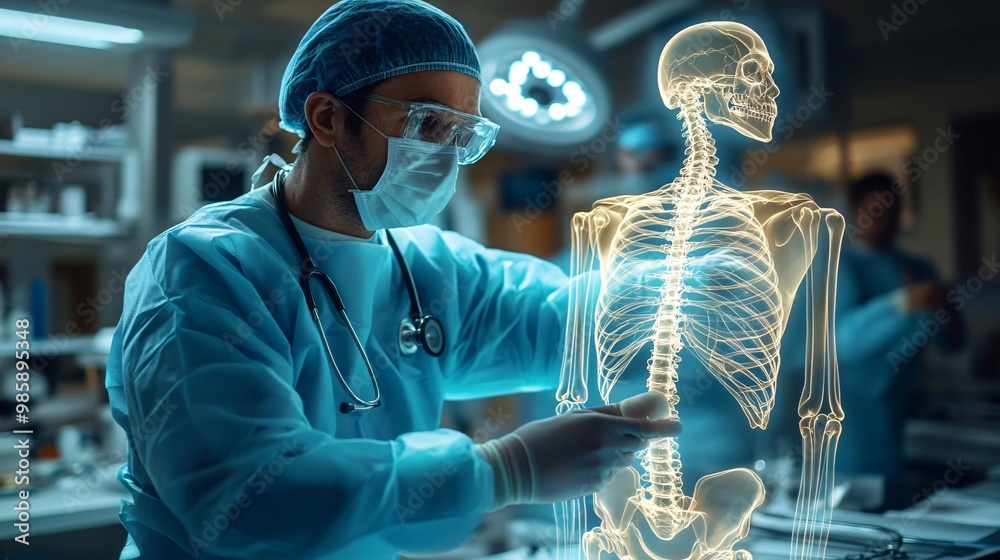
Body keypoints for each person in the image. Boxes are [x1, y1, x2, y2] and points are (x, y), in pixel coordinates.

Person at [103, 1, 679, 559]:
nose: (446, 157)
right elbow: (247, 500)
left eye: (463, 136)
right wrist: (503, 472)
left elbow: (562, 318)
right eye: (426, 123)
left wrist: (695, 281)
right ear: (326, 118)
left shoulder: (422, 263)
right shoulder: (203, 271)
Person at [779, 172, 964, 510]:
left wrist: (945, 306)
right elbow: (836, 343)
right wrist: (901, 303)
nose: (887, 222)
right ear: (855, 210)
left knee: (896, 509)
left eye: (894, 212)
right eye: (876, 212)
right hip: (849, 416)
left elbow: (952, 344)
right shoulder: (838, 266)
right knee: (850, 512)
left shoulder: (916, 267)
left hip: (898, 410)